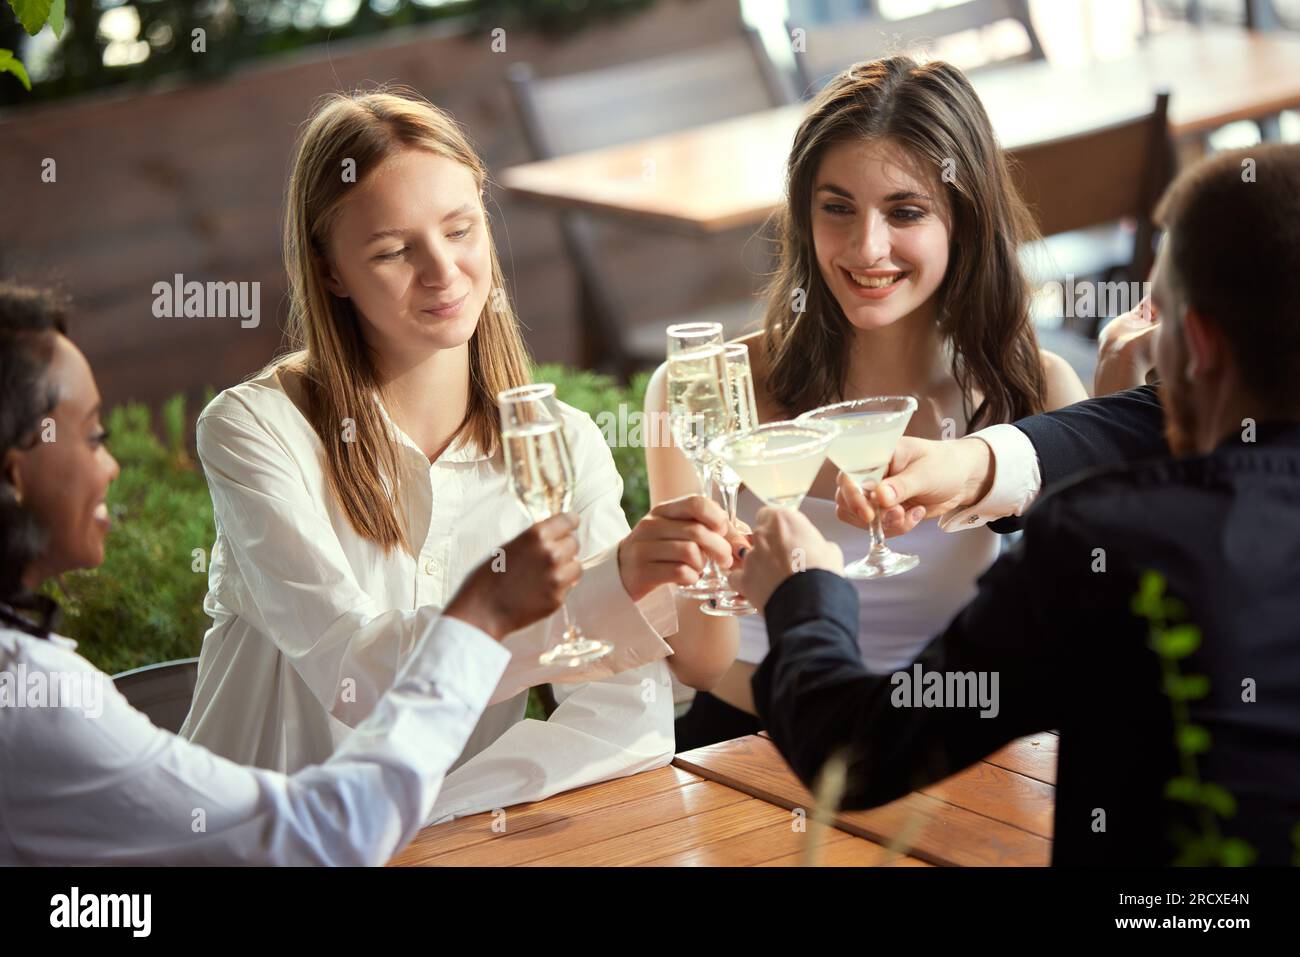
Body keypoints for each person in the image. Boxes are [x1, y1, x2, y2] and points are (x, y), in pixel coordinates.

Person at [177, 89, 740, 820]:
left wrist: (436, 816)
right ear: (330, 272)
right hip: (252, 843)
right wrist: (613, 585)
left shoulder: (562, 442)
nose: (442, 271)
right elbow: (355, 669)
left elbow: (625, 721)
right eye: (392, 250)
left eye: (460, 229)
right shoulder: (257, 431)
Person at [735, 144, 1300, 865]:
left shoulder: (1104, 542)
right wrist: (972, 463)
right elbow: (1125, 424)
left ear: (1195, 341)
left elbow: (857, 751)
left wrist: (802, 593)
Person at [0, 282, 581, 864]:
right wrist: (478, 619)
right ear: (14, 473)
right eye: (93, 436)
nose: (111, 465)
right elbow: (329, 832)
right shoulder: (36, 700)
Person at [645, 57, 1086, 748]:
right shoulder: (704, 388)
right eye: (837, 208)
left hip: (939, 741)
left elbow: (1088, 626)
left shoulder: (1037, 388)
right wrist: (681, 577)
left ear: (963, 219)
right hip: (751, 739)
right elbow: (701, 662)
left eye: (905, 211)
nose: (865, 248)